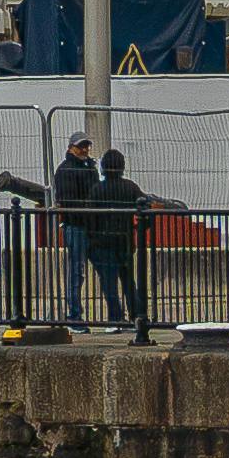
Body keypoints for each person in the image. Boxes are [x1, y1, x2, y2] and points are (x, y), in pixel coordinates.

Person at [87, 136, 149, 333]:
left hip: (102, 242)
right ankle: (137, 317)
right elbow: (145, 208)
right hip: (125, 240)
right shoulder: (130, 187)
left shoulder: (97, 189)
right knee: (129, 282)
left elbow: (90, 218)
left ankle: (115, 319)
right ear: (122, 167)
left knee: (109, 284)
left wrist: (93, 239)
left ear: (104, 167)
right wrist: (140, 229)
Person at [50, 121, 100, 336]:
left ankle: (79, 314)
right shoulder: (67, 170)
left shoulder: (87, 168)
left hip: (87, 225)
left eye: (86, 146)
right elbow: (71, 200)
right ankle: (74, 314)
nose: (85, 150)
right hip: (78, 225)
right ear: (71, 147)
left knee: (84, 270)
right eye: (81, 146)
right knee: (77, 271)